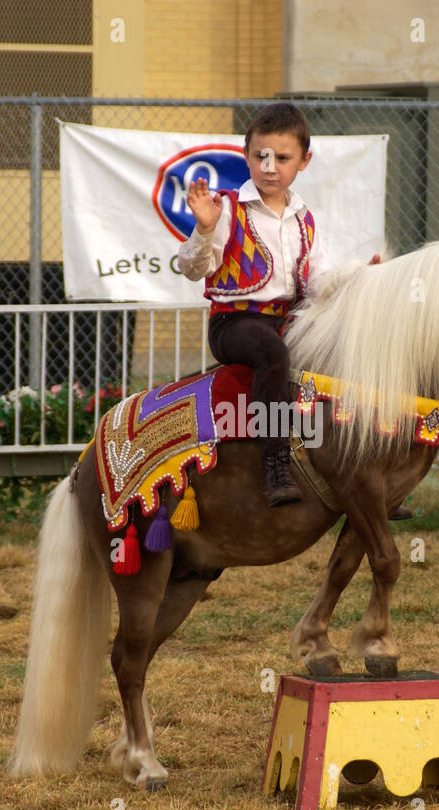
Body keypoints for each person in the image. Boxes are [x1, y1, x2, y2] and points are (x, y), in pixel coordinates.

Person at [177, 103, 393, 511]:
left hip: (285, 322)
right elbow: (192, 268)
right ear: (246, 156)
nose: (269, 166)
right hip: (235, 323)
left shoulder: (303, 219)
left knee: (346, 345)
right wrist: (205, 230)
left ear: (304, 161)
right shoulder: (227, 211)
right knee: (272, 352)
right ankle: (274, 463)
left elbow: (318, 282)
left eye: (282, 157)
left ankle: (364, 471)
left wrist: (359, 275)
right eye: (260, 156)